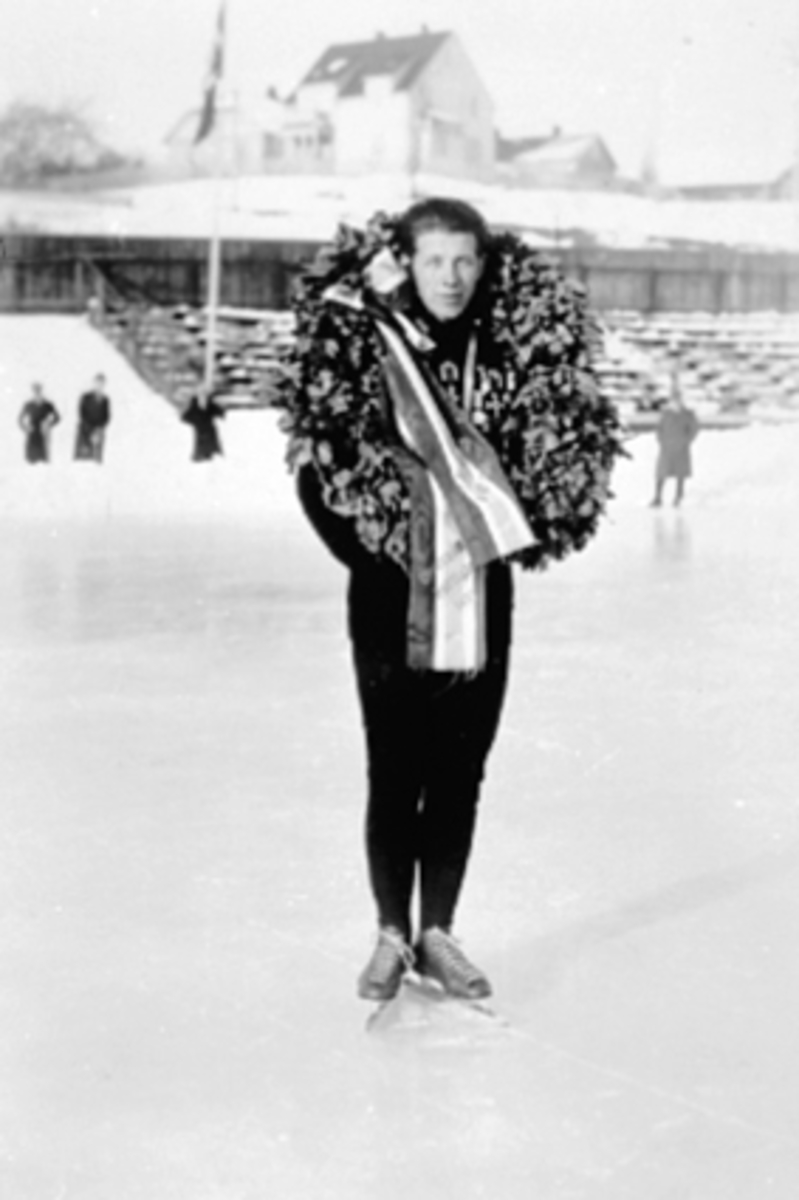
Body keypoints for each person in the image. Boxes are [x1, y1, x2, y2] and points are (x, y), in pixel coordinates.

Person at [284, 197, 621, 1004]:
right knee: (394, 767)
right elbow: (316, 473)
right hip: (389, 595)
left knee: (461, 769)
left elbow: (532, 472)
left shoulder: (504, 351)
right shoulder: (368, 343)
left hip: (481, 591)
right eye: (434, 260)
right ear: (402, 261)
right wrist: (381, 559)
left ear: (484, 263)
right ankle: (390, 936)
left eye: (465, 260)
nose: (451, 276)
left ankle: (438, 933)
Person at [650, 369, 699, 507]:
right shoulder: (666, 413)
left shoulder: (687, 414)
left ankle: (678, 497)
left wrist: (687, 440)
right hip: (666, 447)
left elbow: (694, 429)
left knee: (680, 474)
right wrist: (661, 440)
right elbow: (659, 428)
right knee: (661, 473)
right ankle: (658, 497)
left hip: (681, 447)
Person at [18, 383, 60, 463]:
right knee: (31, 459)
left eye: (38, 390)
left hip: (43, 432)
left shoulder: (48, 404)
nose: (37, 392)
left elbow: (57, 418)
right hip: (32, 432)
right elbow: (20, 419)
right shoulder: (28, 404)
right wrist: (26, 428)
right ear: (33, 391)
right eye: (35, 390)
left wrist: (48, 424)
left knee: (44, 458)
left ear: (41, 390)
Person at [74, 373, 112, 462]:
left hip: (98, 433)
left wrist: (99, 428)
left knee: (96, 462)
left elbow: (106, 417)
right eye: (98, 383)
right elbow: (81, 413)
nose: (99, 386)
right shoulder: (85, 397)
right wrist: (90, 429)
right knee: (82, 461)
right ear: (94, 383)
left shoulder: (106, 400)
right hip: (85, 430)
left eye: (102, 384)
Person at [180, 390, 225, 461]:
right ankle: (206, 455)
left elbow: (221, 413)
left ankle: (209, 455)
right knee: (205, 445)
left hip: (207, 430)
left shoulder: (209, 406)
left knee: (209, 445)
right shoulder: (197, 408)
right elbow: (184, 418)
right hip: (203, 431)